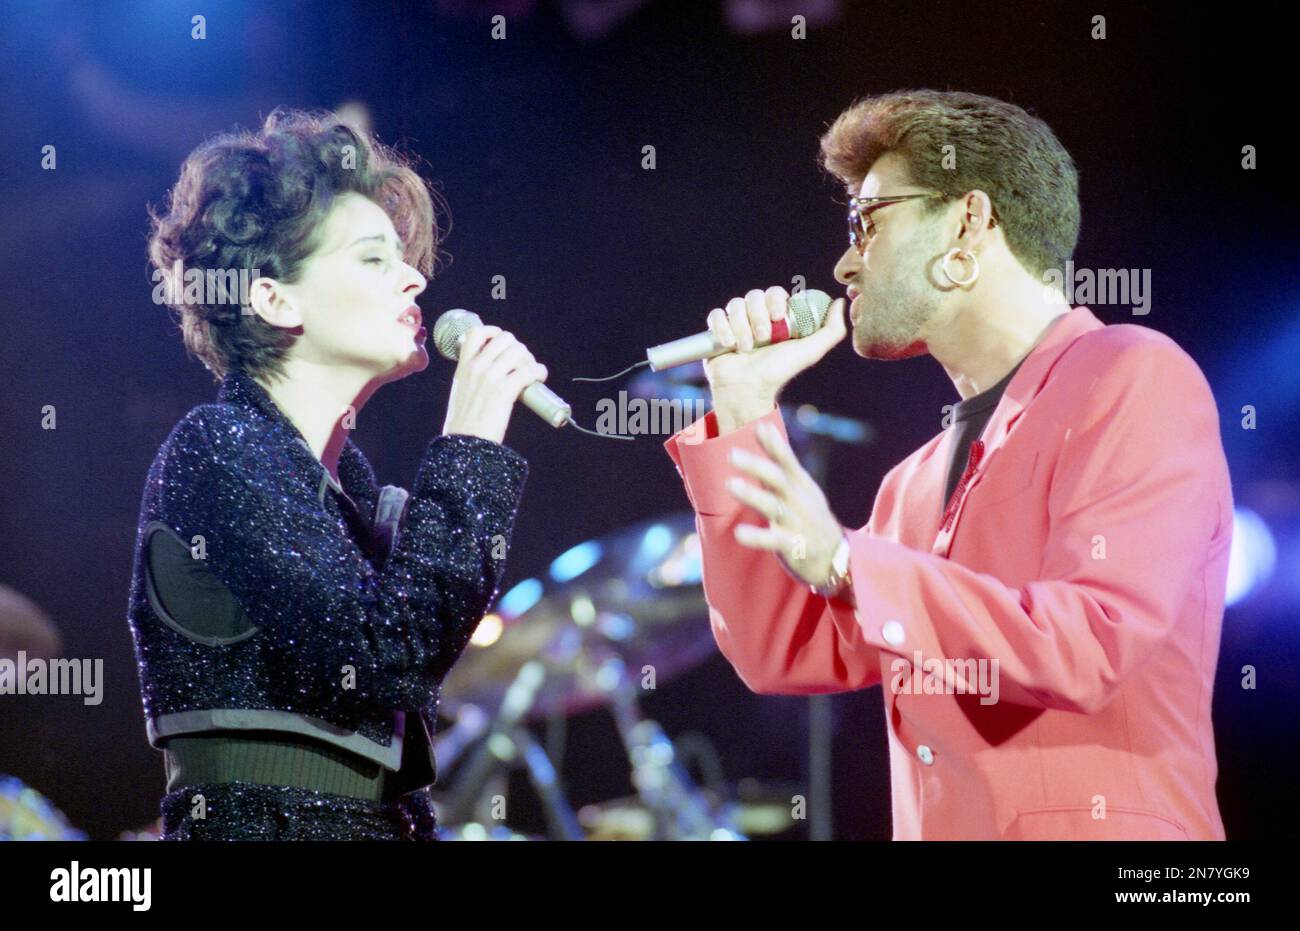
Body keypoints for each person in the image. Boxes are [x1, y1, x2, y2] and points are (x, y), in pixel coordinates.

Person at [663, 90, 1232, 840]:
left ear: (969, 222)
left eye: (866, 223)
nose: (843, 263)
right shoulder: (916, 481)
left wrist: (842, 558)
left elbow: (1091, 639)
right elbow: (783, 649)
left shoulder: (1131, 374)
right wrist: (742, 408)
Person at [128, 108, 548, 840]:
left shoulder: (344, 484)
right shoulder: (217, 445)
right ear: (272, 297)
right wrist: (472, 443)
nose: (415, 278)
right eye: (373, 258)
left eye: (404, 258)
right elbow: (390, 653)